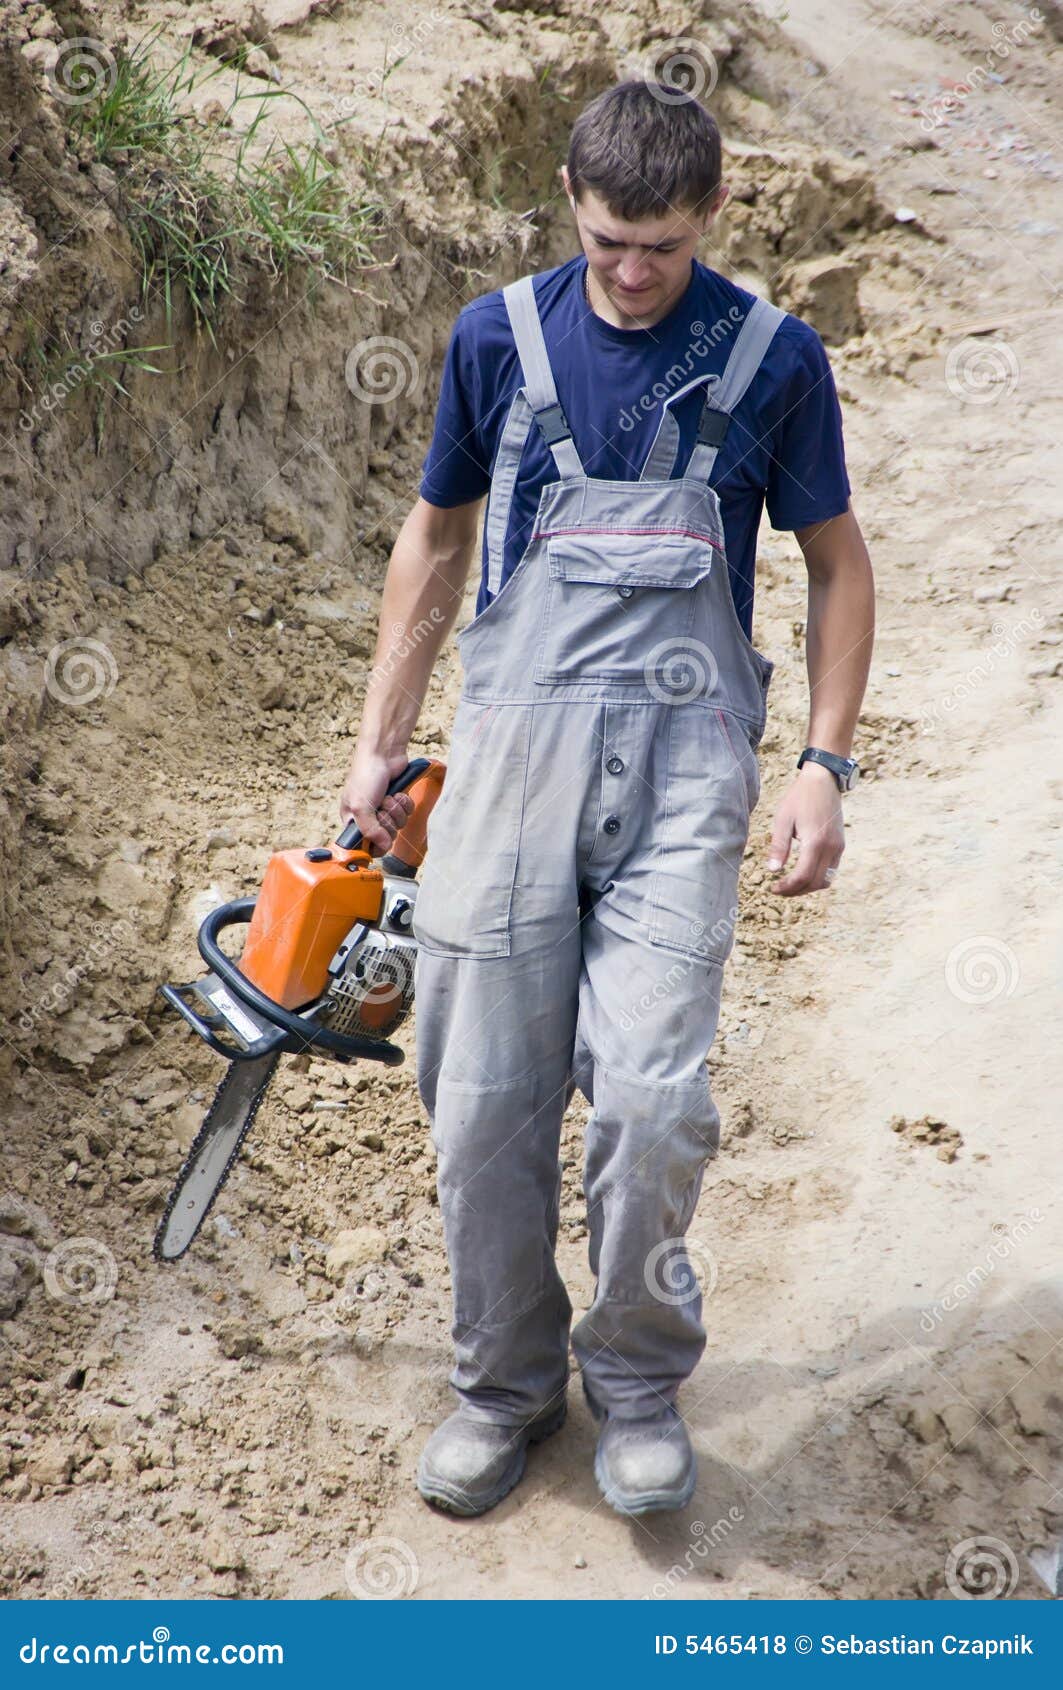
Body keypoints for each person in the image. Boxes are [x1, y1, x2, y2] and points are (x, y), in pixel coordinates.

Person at [339, 79, 874, 1519]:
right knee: (480, 1103)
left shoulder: (772, 358)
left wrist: (822, 764)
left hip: (688, 770)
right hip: (512, 761)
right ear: (570, 205)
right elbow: (435, 540)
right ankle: (503, 1384)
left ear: (712, 213)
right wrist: (381, 740)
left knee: (650, 1096)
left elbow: (836, 563)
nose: (632, 275)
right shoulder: (495, 339)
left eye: (663, 247)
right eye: (606, 244)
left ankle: (636, 1380)